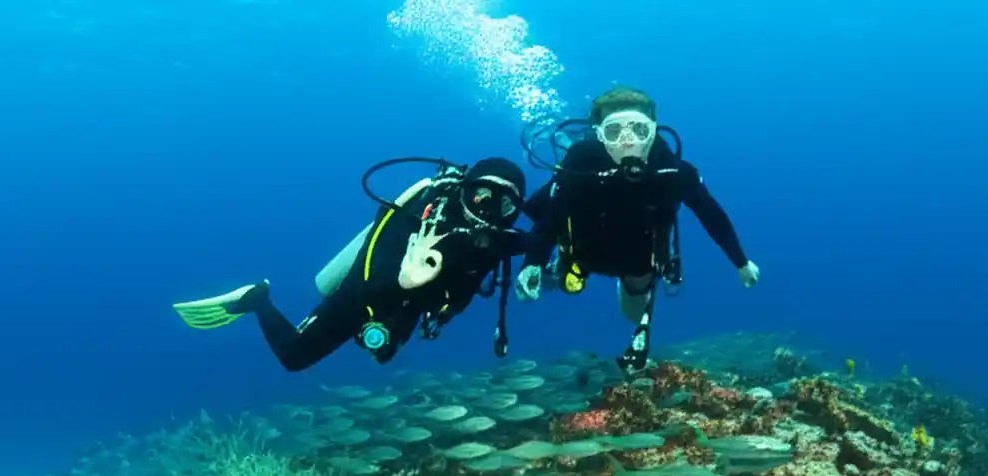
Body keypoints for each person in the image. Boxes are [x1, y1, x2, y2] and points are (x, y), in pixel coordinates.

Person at [172, 157, 529, 371]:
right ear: (464, 188)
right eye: (481, 194)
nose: (486, 210)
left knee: (382, 353)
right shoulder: (412, 213)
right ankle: (257, 298)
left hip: (410, 307)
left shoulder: (498, 239)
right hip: (362, 294)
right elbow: (365, 280)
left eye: (503, 205)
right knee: (294, 358)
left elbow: (541, 236)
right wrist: (403, 279)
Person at [515, 87, 760, 372]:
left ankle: (603, 280)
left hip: (639, 257)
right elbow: (550, 217)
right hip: (584, 250)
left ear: (653, 131)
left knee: (633, 311)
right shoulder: (580, 164)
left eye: (639, 130)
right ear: (600, 135)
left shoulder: (674, 171)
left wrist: (740, 262)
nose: (627, 141)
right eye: (614, 131)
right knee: (570, 282)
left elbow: (710, 213)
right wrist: (532, 263)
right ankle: (557, 272)